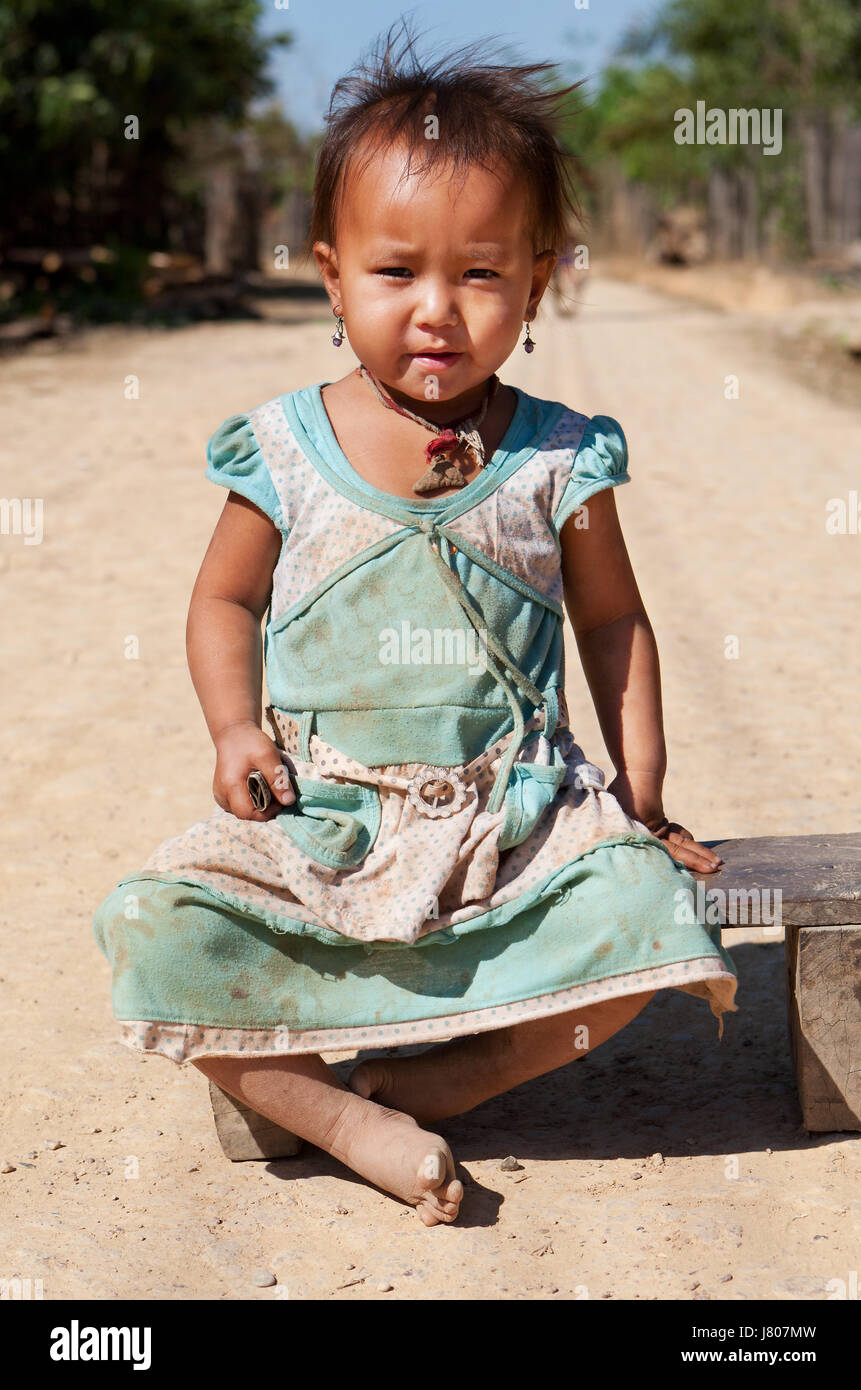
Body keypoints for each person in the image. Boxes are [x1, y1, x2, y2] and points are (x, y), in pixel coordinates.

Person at [93, 29, 737, 1228]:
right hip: (327, 816)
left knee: (651, 918)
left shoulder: (557, 456)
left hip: (509, 815)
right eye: (396, 274)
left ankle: (454, 1074)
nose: (436, 312)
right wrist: (236, 726)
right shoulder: (283, 450)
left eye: (479, 275)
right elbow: (221, 599)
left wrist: (638, 794)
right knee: (150, 920)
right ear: (332, 277)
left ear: (536, 283)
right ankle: (342, 1114)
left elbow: (613, 618)